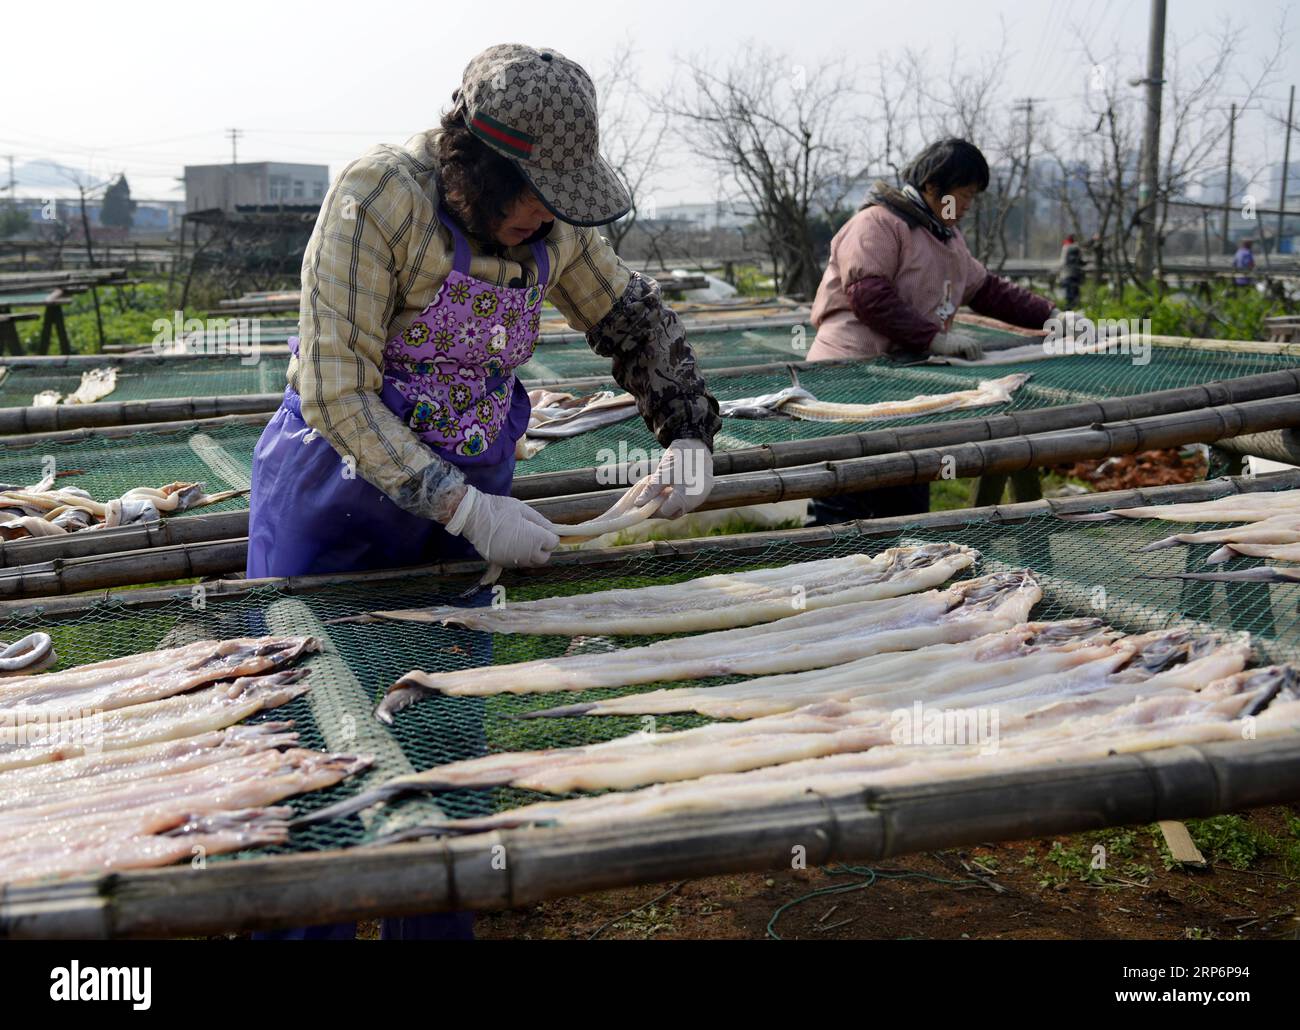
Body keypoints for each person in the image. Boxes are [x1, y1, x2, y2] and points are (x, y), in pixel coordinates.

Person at [246, 44, 721, 939]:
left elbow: (630, 315)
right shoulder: (379, 198)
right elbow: (337, 389)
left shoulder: (555, 230)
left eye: (562, 198)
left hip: (464, 525)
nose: (548, 215)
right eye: (535, 191)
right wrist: (461, 504)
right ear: (475, 162)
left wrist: (687, 424)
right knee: (314, 743)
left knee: (439, 730)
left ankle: (436, 919)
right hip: (333, 507)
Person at [806, 138, 1059, 525]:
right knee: (845, 492)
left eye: (973, 197)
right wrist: (933, 338)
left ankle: (901, 575)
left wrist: (1052, 316)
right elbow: (868, 294)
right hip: (850, 378)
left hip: (907, 379)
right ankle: (824, 577)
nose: (969, 205)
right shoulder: (877, 224)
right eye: (964, 194)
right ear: (931, 186)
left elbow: (987, 290)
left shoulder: (947, 238)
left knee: (909, 484)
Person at [1059, 234, 1084, 308]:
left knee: (1071, 295)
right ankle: (1070, 310)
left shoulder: (1066, 247)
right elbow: (1081, 248)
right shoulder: (1071, 247)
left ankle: (1070, 309)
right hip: (1070, 275)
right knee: (1072, 295)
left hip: (1067, 275)